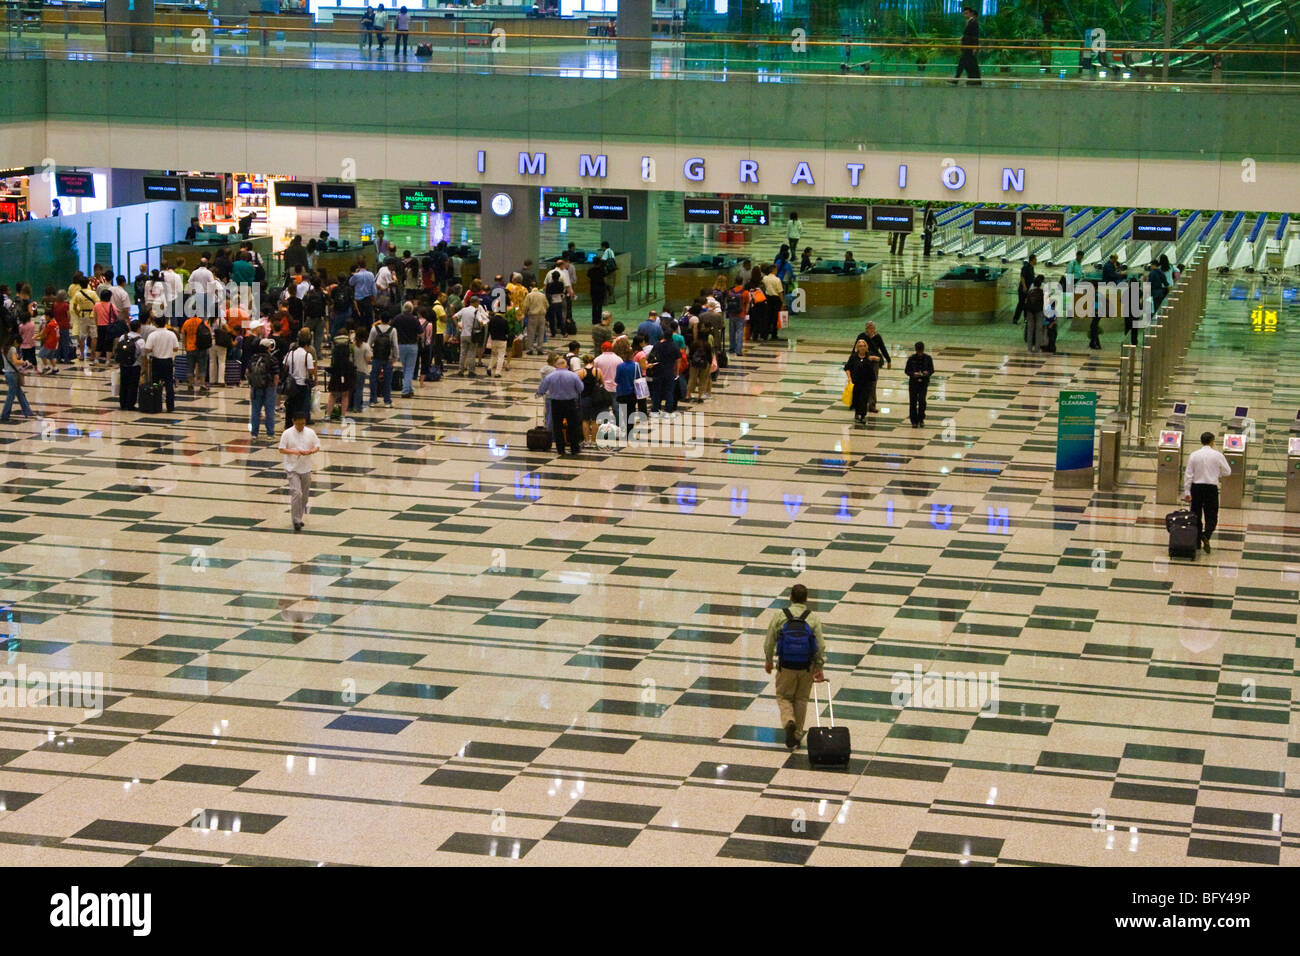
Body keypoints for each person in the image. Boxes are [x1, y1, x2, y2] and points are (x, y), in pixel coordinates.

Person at [764, 583, 826, 751]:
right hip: (806, 666)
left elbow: (769, 640)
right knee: (801, 699)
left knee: (783, 697)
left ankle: (788, 721)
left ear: (790, 598)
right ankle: (797, 735)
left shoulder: (780, 615)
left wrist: (769, 660)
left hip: (786, 666)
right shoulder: (812, 617)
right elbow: (820, 646)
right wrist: (819, 667)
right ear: (806, 599)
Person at [1183, 432, 1231, 553]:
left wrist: (1187, 491)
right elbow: (1227, 472)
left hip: (1196, 488)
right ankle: (1206, 534)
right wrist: (1217, 473)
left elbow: (1188, 475)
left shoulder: (1194, 455)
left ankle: (1197, 542)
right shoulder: (1218, 455)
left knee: (1195, 515)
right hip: (1211, 488)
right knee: (1212, 515)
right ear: (1212, 441)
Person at [535, 354, 585, 457]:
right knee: (573, 426)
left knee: (557, 426)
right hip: (570, 403)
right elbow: (580, 389)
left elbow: (542, 389)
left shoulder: (550, 376)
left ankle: (560, 449)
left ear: (556, 366)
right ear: (566, 365)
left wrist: (538, 394)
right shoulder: (573, 375)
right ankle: (574, 448)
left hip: (556, 403)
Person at [279, 411, 320, 532]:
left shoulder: (310, 432)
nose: (300, 426)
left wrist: (311, 451)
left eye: (302, 423)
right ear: (293, 422)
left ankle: (299, 517)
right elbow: (281, 449)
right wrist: (294, 452)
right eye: (298, 424)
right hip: (292, 468)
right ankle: (296, 520)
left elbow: (317, 446)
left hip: (306, 468)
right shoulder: (287, 433)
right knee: (297, 493)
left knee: (305, 496)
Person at [144, 319, 180, 412]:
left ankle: (156, 404)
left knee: (155, 383)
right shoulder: (171, 334)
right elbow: (176, 348)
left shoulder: (152, 335)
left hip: (156, 362)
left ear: (155, 323)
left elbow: (147, 349)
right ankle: (170, 407)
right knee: (169, 384)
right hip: (168, 362)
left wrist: (155, 349)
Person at [854, 321, 890, 412]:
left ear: (874, 329)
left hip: (874, 362)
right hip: (863, 361)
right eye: (868, 328)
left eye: (871, 328)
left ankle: (872, 404)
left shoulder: (877, 337)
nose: (870, 330)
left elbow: (883, 348)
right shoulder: (861, 336)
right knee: (862, 383)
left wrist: (888, 360)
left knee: (873, 383)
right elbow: (855, 348)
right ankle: (862, 403)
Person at [247, 338, 278, 440]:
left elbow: (247, 372)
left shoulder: (253, 358)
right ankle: (270, 433)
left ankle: (254, 433)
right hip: (269, 387)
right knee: (269, 411)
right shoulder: (272, 359)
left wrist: (251, 382)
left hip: (255, 387)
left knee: (255, 411)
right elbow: (276, 376)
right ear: (268, 347)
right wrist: (275, 386)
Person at [1, 334, 34, 424]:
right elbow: (15, 361)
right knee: (11, 396)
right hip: (12, 374)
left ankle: (27, 411)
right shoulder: (12, 349)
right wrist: (24, 362)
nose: (18, 345)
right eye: (18, 343)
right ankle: (5, 415)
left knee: (20, 393)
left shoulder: (4, 348)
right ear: (15, 341)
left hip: (8, 372)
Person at [647, 329, 681, 416]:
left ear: (664, 336)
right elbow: (678, 360)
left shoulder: (658, 345)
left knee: (656, 391)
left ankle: (655, 409)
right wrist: (677, 372)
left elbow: (651, 356)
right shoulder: (675, 346)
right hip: (669, 372)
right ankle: (668, 410)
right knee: (669, 391)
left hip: (658, 371)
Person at [843, 339, 875, 426]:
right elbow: (847, 368)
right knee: (856, 398)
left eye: (864, 346)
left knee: (864, 399)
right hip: (856, 381)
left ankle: (863, 416)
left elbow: (878, 360)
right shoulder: (853, 357)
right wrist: (849, 377)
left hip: (866, 382)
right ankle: (857, 413)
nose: (862, 348)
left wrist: (875, 358)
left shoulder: (869, 356)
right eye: (860, 346)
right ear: (857, 347)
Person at [368, 312, 398, 403]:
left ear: (380, 319)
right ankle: (387, 400)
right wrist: (395, 357)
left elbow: (369, 343)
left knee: (373, 378)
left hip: (376, 357)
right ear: (389, 320)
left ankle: (373, 399)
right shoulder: (392, 330)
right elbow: (395, 345)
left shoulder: (374, 329)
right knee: (387, 379)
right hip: (387, 358)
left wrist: (369, 355)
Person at [115, 319, 145, 410]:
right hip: (135, 366)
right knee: (133, 385)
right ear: (139, 328)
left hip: (123, 364)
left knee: (123, 384)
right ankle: (130, 404)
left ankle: (122, 403)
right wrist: (144, 368)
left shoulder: (122, 337)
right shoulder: (140, 341)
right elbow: (143, 355)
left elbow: (118, 349)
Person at [392, 302, 421, 396]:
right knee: (409, 369)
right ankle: (405, 391)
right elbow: (421, 333)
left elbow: (392, 329)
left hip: (400, 345)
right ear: (411, 309)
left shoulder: (397, 318)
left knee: (405, 368)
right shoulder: (414, 319)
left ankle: (410, 388)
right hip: (412, 345)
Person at [905, 341, 934, 427]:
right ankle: (914, 421)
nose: (920, 353)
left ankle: (921, 418)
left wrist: (927, 373)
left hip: (923, 382)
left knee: (922, 401)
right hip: (913, 383)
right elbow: (907, 371)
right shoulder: (911, 359)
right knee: (913, 402)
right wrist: (913, 374)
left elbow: (932, 370)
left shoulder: (928, 358)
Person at [953, 6, 981, 85]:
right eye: (964, 13)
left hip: (969, 47)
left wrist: (975, 47)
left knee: (963, 63)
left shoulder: (973, 23)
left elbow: (975, 36)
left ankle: (957, 79)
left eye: (966, 13)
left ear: (971, 13)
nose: (965, 15)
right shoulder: (970, 22)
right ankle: (974, 80)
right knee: (969, 64)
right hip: (967, 47)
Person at [1011, 255, 1036, 325]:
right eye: (1035, 259)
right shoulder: (1026, 267)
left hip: (1029, 289)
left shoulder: (1031, 268)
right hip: (1023, 289)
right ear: (1032, 260)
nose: (1036, 261)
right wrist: (1024, 286)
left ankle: (1026, 318)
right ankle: (1015, 319)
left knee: (1027, 304)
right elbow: (1022, 277)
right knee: (1021, 304)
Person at [1024, 275, 1046, 352]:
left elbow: (1026, 302)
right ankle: (1037, 348)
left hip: (1030, 312)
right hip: (1039, 312)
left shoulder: (1030, 291)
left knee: (1030, 330)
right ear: (1040, 284)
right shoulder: (1042, 292)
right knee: (1038, 330)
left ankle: (1029, 348)